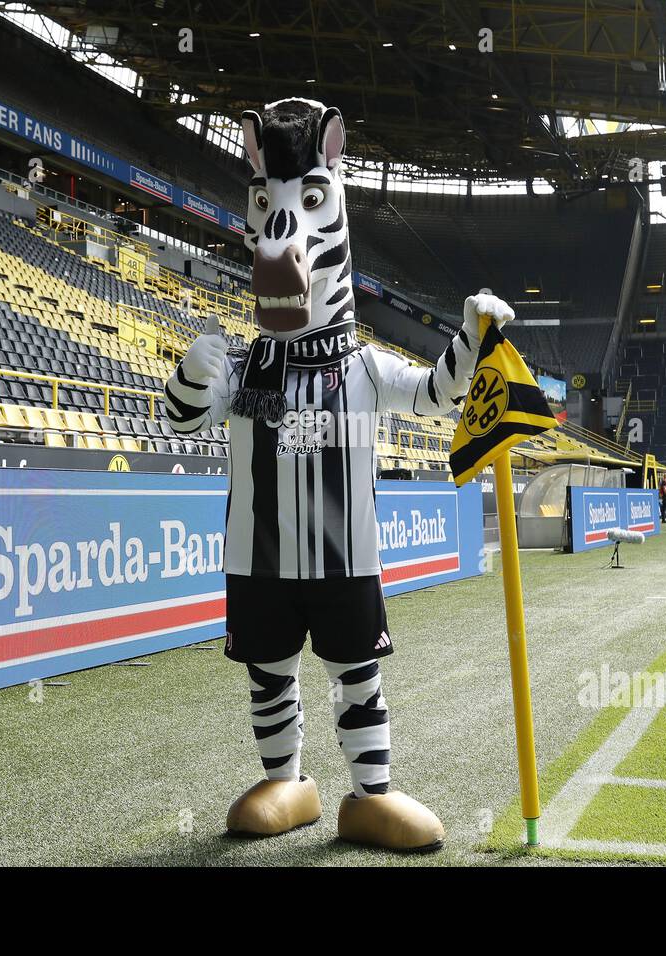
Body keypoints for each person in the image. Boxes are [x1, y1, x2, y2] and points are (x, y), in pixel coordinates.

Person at [163, 98, 495, 851]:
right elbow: (186, 420)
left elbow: (439, 395)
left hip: (347, 554)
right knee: (268, 672)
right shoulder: (248, 366)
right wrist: (191, 376)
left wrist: (470, 338)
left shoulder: (362, 367)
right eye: (267, 203)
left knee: (357, 671)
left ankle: (369, 795)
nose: (282, 227)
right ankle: (287, 782)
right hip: (261, 555)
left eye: (309, 199)